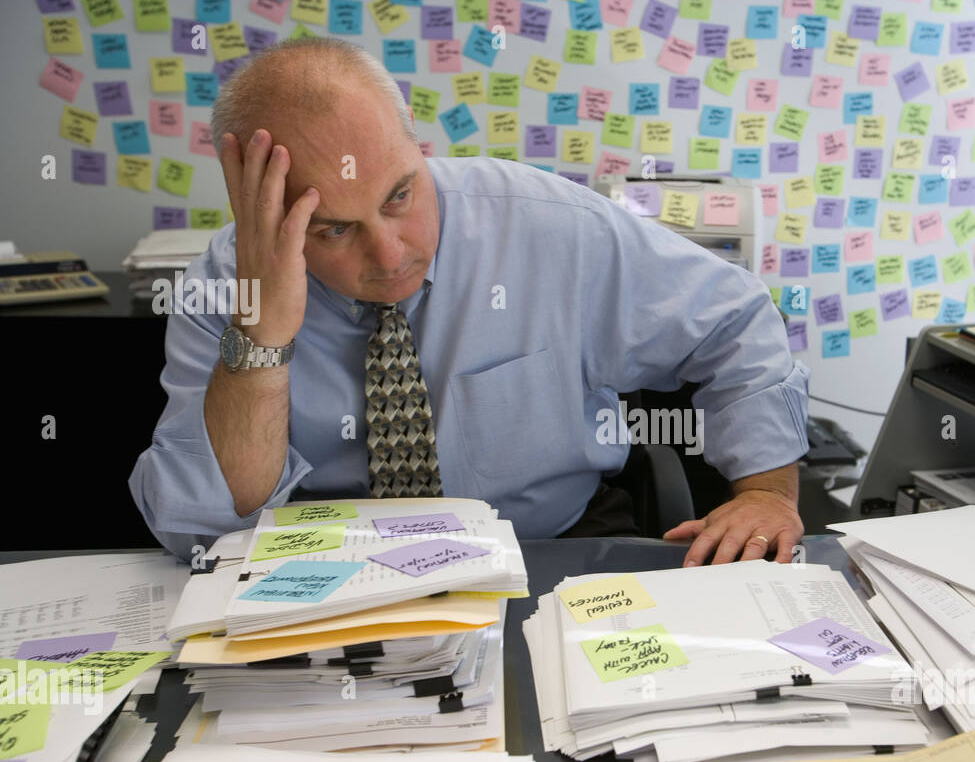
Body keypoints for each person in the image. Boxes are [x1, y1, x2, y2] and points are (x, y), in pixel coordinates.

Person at [129, 37, 809, 568]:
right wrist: (261, 332)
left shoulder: (546, 226)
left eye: (400, 195)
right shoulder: (223, 286)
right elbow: (207, 530)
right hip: (330, 574)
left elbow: (736, 320)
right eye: (333, 228)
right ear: (260, 209)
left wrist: (765, 494)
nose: (391, 255)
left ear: (414, 141)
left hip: (550, 547)